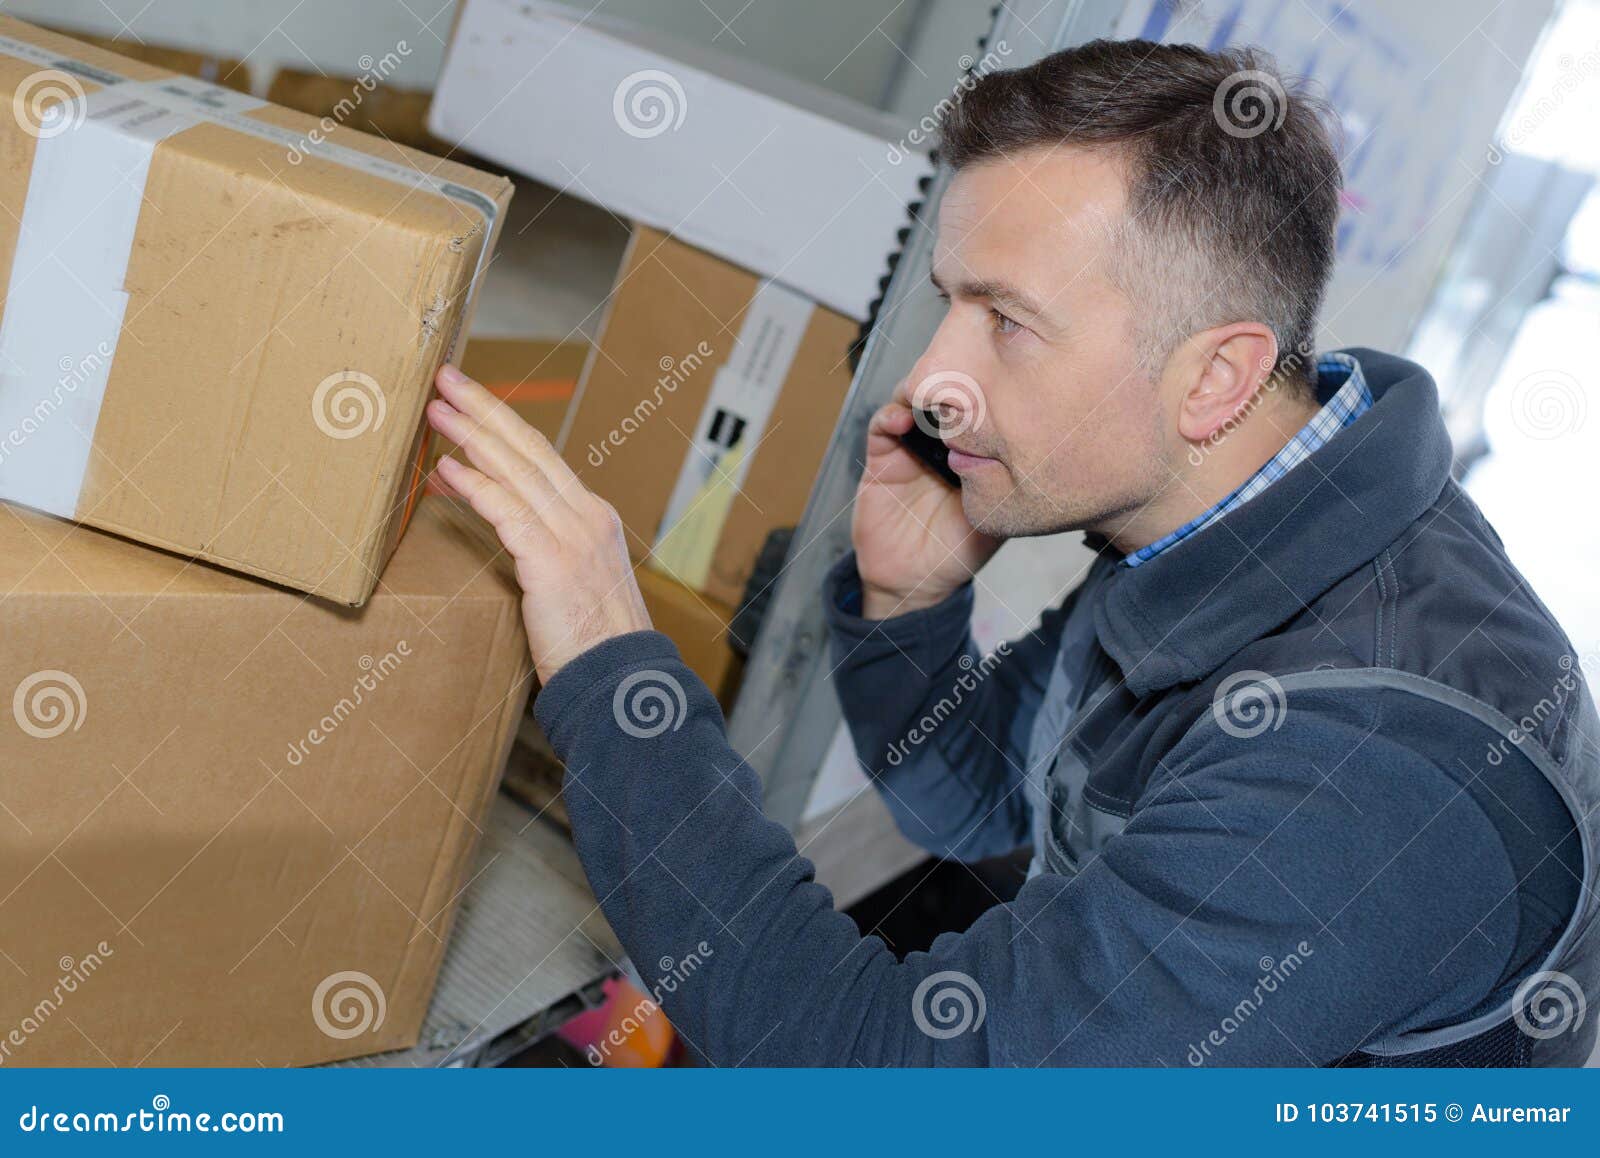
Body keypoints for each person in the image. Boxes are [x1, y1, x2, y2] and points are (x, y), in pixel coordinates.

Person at [424, 40, 1598, 1065]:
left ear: (1217, 377)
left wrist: (608, 669)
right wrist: (906, 605)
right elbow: (983, 801)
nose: (932, 377)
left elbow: (878, 1077)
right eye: (948, 304)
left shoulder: (1371, 763)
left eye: (1007, 321)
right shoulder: (1226, 519)